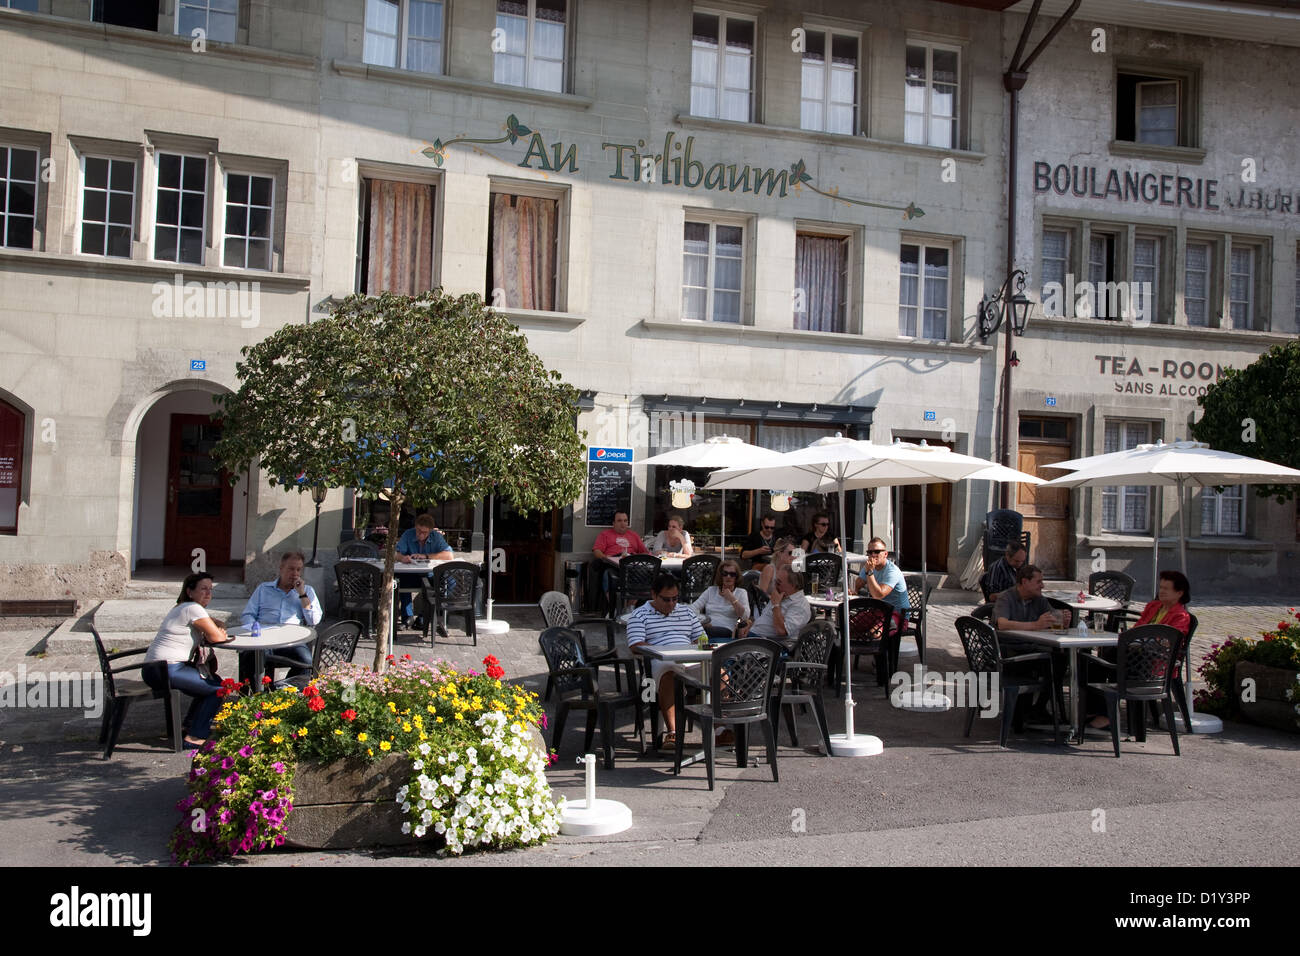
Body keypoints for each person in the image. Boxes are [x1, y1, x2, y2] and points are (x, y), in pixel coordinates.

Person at [1085, 570, 1192, 731]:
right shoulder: (1154, 606)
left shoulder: (1181, 616)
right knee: (1094, 664)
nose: (1161, 591)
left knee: (1111, 663)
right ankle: (1095, 711)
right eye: (1160, 587)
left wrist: (1142, 640)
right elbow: (1138, 628)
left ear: (1179, 593)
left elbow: (1168, 643)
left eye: (1166, 589)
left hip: (1155, 663)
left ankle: (1106, 716)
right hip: (1136, 654)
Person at [143, 572, 232, 747]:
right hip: (166, 669)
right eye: (203, 589)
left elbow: (218, 625)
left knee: (214, 681)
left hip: (155, 668)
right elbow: (217, 637)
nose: (208, 594)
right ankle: (195, 737)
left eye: (210, 590)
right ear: (190, 592)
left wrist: (217, 627)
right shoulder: (193, 608)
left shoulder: (183, 607)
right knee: (218, 689)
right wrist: (218, 631)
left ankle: (190, 725)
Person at [626, 573, 706, 748]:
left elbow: (702, 638)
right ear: (653, 595)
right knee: (670, 674)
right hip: (658, 662)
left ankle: (719, 729)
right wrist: (664, 652)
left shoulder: (686, 612)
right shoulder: (640, 615)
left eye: (675, 599)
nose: (671, 604)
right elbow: (635, 645)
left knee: (720, 675)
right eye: (666, 599)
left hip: (688, 659)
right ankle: (673, 733)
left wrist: (690, 648)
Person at [240, 551, 322, 680]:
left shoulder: (308, 591)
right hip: (264, 639)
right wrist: (254, 629)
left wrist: (301, 594)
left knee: (306, 661)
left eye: (298, 570)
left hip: (292, 641)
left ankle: (288, 691)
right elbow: (248, 614)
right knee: (253, 657)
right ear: (281, 568)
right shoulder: (263, 589)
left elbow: (314, 620)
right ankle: (262, 693)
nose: (295, 573)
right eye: (291, 569)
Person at [395, 513, 453, 628]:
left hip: (429, 574)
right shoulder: (408, 534)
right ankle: (407, 617)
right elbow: (396, 554)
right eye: (418, 531)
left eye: (424, 532)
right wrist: (403, 558)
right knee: (400, 579)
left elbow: (449, 555)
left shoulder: (436, 537)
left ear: (430, 531)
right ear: (415, 527)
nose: (420, 535)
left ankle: (424, 616)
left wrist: (426, 556)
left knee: (449, 582)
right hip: (411, 574)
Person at [851, 537, 911, 631]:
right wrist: (855, 589)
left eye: (877, 552)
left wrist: (869, 572)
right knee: (849, 626)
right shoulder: (869, 566)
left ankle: (877, 645)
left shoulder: (892, 571)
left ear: (885, 554)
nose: (873, 555)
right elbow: (857, 585)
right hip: (877, 611)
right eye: (870, 552)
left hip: (896, 615)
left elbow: (878, 595)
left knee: (874, 632)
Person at [592, 510, 650, 608]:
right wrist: (605, 557)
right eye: (619, 521)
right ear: (613, 523)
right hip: (614, 565)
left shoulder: (634, 535)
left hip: (633, 565)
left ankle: (628, 608)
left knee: (646, 575)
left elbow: (645, 552)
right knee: (608, 575)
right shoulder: (605, 534)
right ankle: (614, 607)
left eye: (625, 521)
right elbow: (596, 551)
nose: (623, 524)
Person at [741, 567, 811, 641]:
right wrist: (750, 625)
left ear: (793, 585)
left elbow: (781, 631)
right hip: (754, 636)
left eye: (778, 583)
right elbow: (765, 619)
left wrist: (776, 605)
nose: (775, 585)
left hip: (768, 645)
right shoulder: (780, 595)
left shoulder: (800, 605)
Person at [689, 559, 751, 640]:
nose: (728, 577)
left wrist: (732, 598)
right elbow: (692, 608)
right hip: (707, 628)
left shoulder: (741, 592)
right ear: (720, 576)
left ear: (736, 577)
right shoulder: (711, 591)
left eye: (732, 574)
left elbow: (745, 616)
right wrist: (703, 621)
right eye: (725, 574)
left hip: (726, 630)